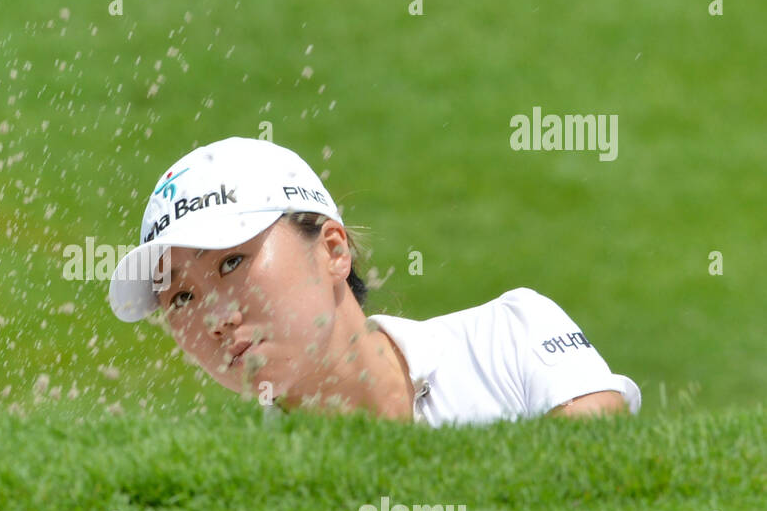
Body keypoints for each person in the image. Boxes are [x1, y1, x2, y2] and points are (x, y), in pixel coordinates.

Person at [107, 137, 641, 427]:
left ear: (334, 251)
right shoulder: (251, 495)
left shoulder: (513, 337)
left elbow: (592, 500)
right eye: (180, 296)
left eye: (231, 264)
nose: (214, 318)